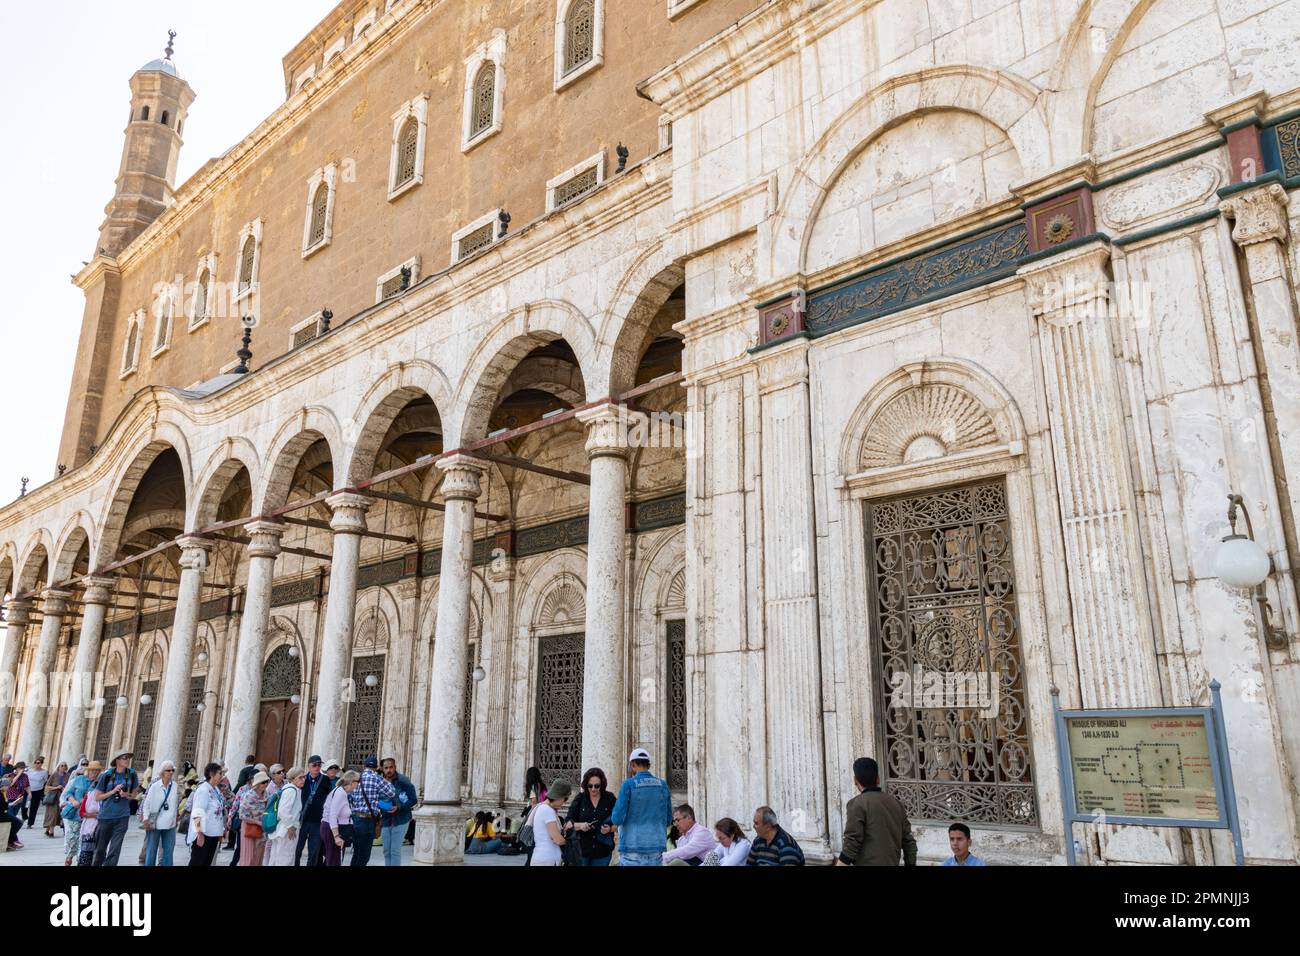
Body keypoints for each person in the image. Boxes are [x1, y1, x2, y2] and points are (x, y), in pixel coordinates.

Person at [836, 757, 916, 866]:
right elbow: (909, 843)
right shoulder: (896, 804)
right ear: (878, 779)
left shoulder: (856, 804)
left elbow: (852, 842)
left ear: (855, 780)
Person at [609, 748, 672, 866]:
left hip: (632, 847)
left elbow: (617, 818)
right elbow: (668, 819)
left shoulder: (628, 785)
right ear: (649, 765)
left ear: (632, 764)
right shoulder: (663, 785)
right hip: (656, 846)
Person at [92, 750, 140, 866]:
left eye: (128, 758)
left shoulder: (132, 774)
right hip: (106, 816)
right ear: (117, 760)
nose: (127, 760)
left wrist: (126, 795)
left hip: (122, 817)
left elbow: (134, 795)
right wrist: (113, 791)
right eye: (124, 758)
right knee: (100, 850)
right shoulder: (107, 775)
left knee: (115, 850)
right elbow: (97, 797)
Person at [349, 756, 397, 867]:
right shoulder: (377, 778)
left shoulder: (356, 778)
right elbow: (392, 792)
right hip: (367, 820)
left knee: (356, 853)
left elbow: (349, 797)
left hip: (355, 819)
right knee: (364, 856)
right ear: (376, 768)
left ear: (364, 766)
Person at [564, 767, 616, 866]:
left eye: (597, 786)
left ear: (602, 785)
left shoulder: (610, 798)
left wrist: (609, 829)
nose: (593, 789)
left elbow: (619, 822)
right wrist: (580, 826)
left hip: (602, 851)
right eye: (590, 786)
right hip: (582, 851)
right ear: (585, 785)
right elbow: (567, 823)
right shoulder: (580, 798)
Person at [295, 754, 333, 866]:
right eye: (314, 765)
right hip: (303, 819)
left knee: (314, 852)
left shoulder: (325, 780)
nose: (317, 767)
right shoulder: (303, 779)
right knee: (297, 849)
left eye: (319, 765)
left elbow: (329, 798)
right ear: (309, 766)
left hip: (317, 820)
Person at [140, 760, 179, 866]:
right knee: (151, 850)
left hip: (170, 823)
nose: (171, 772)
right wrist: (146, 819)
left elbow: (175, 804)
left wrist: (176, 818)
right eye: (168, 770)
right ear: (162, 772)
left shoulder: (175, 786)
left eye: (172, 770)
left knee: (168, 851)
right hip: (155, 823)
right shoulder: (155, 786)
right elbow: (147, 804)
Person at [186, 762, 226, 866]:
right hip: (204, 833)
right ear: (212, 774)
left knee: (206, 862)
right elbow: (197, 812)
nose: (222, 775)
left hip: (213, 833)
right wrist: (200, 833)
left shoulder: (215, 789)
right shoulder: (203, 790)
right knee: (198, 862)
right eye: (219, 773)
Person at [379, 757, 417, 867]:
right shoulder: (380, 782)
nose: (388, 770)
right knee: (386, 850)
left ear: (395, 767)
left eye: (391, 767)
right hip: (386, 820)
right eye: (386, 768)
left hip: (401, 819)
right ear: (382, 769)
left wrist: (399, 807)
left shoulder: (403, 780)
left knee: (395, 850)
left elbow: (413, 799)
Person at [527, 779, 572, 867]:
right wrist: (570, 842)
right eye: (565, 798)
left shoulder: (544, 808)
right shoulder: (547, 810)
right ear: (560, 797)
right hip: (547, 860)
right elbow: (557, 839)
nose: (565, 802)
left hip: (544, 859)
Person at [267, 767, 305, 866]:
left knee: (276, 859)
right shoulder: (291, 790)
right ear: (292, 779)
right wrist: (290, 827)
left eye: (304, 777)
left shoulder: (289, 788)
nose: (303, 780)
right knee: (285, 859)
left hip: (282, 830)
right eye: (300, 778)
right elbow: (283, 811)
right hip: (286, 831)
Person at [321, 769, 360, 866]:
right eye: (358, 782)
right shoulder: (340, 793)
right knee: (334, 861)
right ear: (351, 782)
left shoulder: (342, 792)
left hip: (335, 829)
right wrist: (336, 837)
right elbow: (332, 815)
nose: (359, 785)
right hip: (333, 830)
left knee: (333, 860)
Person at [60, 762, 95, 865]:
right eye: (93, 770)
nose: (95, 772)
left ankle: (80, 860)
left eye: (97, 770)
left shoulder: (98, 783)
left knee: (84, 840)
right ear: (88, 770)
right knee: (72, 838)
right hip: (75, 814)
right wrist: (73, 801)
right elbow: (68, 793)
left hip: (89, 816)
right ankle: (69, 857)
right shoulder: (79, 780)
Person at [237, 770, 271, 866]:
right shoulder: (249, 796)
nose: (266, 784)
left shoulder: (266, 794)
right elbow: (242, 815)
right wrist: (257, 822)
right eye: (263, 782)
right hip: (250, 828)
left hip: (262, 829)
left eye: (267, 782)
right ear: (258, 784)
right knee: (248, 857)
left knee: (258, 856)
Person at [76, 776, 103, 866]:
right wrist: (94, 815)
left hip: (103, 828)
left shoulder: (108, 796)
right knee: (86, 854)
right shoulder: (90, 795)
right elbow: (81, 812)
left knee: (100, 854)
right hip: (89, 829)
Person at [4, 762, 29, 843]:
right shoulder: (11, 775)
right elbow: (11, 784)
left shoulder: (25, 776)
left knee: (13, 816)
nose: (22, 770)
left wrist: (30, 793)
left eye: (23, 768)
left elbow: (27, 785)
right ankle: (13, 839)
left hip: (19, 799)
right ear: (17, 768)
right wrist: (18, 774)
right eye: (21, 768)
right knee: (12, 818)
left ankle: (10, 837)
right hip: (10, 798)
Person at [42, 761, 69, 837]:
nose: (63, 767)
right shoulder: (54, 775)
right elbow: (47, 786)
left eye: (65, 766)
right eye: (62, 766)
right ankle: (51, 831)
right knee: (52, 813)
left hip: (61, 797)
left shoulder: (67, 776)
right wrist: (56, 787)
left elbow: (69, 786)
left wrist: (64, 789)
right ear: (59, 767)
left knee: (57, 814)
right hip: (53, 797)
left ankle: (48, 830)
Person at [25, 756, 49, 829]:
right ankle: (25, 817)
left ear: (41, 764)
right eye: (35, 763)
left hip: (37, 791)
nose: (36, 764)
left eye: (38, 763)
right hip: (28, 790)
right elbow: (25, 779)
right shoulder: (29, 770)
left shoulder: (44, 772)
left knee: (33, 807)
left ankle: (30, 823)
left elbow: (45, 780)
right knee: (24, 806)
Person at [0, 774, 21, 849]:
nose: (8, 787)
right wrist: (9, 805)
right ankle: (11, 840)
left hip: (3, 813)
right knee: (18, 822)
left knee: (16, 821)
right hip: (1, 815)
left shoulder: (3, 793)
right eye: (7, 786)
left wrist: (9, 804)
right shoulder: (1, 794)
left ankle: (12, 840)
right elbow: (2, 806)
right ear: (3, 786)